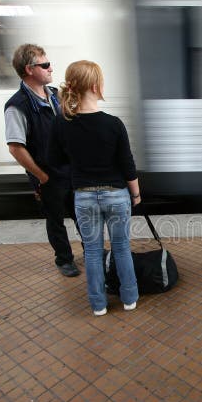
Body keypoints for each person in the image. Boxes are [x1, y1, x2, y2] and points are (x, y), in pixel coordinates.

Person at [49, 60, 140, 316]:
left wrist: (77, 169)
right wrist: (136, 193)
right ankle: (129, 298)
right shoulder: (114, 124)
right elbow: (127, 164)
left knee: (92, 251)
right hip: (117, 195)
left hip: (84, 197)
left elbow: (54, 160)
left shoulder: (61, 123)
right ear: (95, 86)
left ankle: (98, 304)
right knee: (121, 247)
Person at [5, 44, 80, 277]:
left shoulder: (55, 95)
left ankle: (93, 251)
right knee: (55, 220)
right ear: (29, 69)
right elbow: (16, 148)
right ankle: (64, 260)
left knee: (82, 214)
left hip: (70, 170)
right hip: (48, 176)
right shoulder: (17, 106)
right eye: (45, 64)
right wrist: (42, 176)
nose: (50, 68)